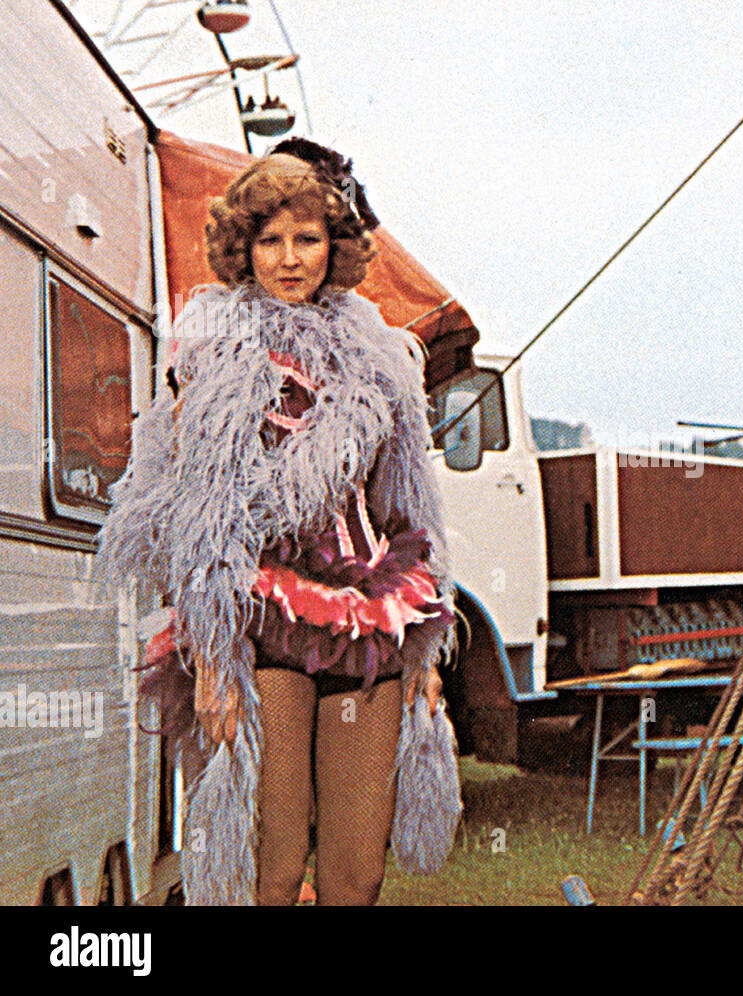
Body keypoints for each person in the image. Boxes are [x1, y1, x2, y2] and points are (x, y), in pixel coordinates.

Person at [96, 138, 462, 905]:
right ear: (243, 247)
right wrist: (213, 657)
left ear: (336, 246)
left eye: (307, 238)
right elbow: (200, 519)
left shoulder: (381, 358)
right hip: (262, 619)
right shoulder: (212, 350)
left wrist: (427, 648)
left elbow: (409, 507)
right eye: (270, 241)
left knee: (357, 877)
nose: (290, 259)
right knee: (274, 867)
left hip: (371, 617)